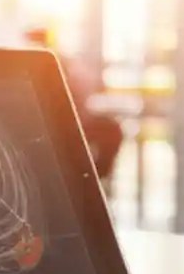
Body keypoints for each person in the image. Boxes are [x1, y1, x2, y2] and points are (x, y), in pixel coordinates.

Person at [22, 27, 124, 181]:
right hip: (53, 125)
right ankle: (89, 176)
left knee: (110, 130)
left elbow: (79, 95)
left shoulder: (58, 62)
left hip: (71, 122)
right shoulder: (45, 64)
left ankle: (91, 176)